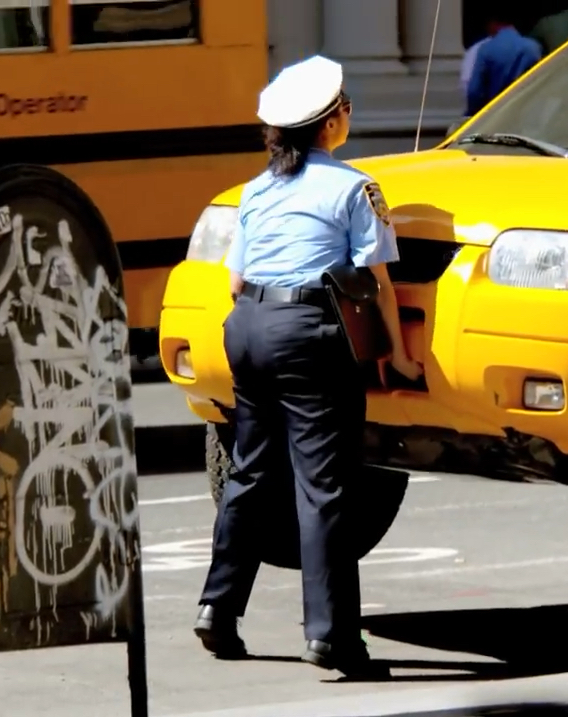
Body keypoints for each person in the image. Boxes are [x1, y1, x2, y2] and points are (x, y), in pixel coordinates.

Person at [192, 54, 424, 680]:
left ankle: (218, 607)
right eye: (346, 106)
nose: (349, 114)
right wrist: (400, 356)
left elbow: (235, 280)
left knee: (249, 472)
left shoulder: (256, 190)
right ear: (329, 123)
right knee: (323, 487)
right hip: (308, 335)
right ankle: (331, 637)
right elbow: (377, 280)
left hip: (248, 329)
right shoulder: (353, 187)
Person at [465, 9, 544, 116]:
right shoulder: (533, 48)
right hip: (525, 113)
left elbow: (474, 92)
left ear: (493, 24)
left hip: (496, 114)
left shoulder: (486, 49)